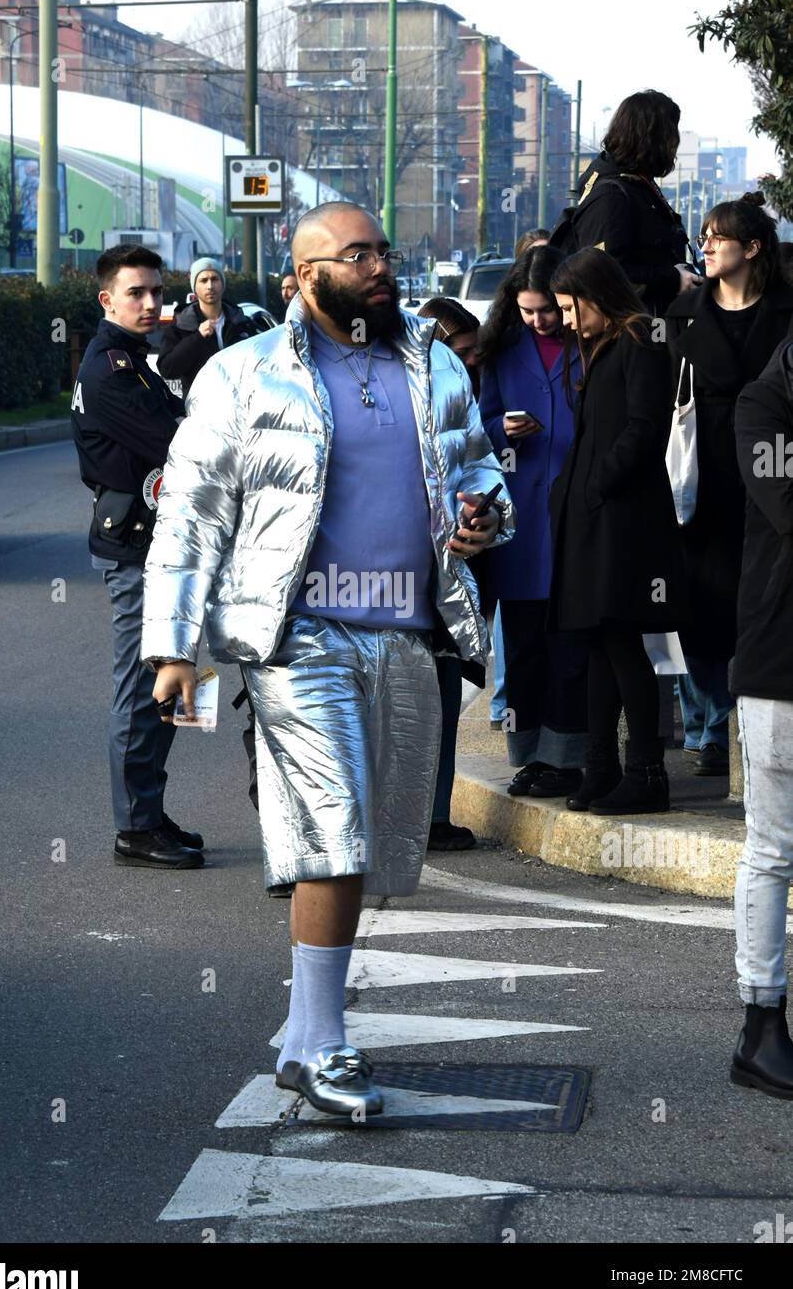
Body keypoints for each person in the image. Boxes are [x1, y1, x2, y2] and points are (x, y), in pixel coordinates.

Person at [142, 201, 512, 1117]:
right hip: (296, 634)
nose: (380, 266)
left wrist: (482, 515)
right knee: (336, 826)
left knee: (384, 841)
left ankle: (306, 1039)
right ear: (305, 276)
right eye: (358, 255)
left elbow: (480, 469)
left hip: (403, 630)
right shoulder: (243, 375)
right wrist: (174, 647)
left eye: (383, 249)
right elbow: (189, 513)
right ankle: (324, 1044)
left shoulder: (429, 363)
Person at [70, 244, 204, 870]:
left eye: (157, 291)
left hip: (155, 542)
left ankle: (148, 811)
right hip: (134, 545)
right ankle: (133, 829)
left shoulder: (137, 361)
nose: (151, 303)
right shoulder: (112, 368)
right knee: (140, 686)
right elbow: (176, 442)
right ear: (107, 300)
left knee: (167, 679)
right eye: (136, 293)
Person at [548, 247, 684, 814]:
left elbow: (644, 427)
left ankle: (646, 773)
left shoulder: (639, 341)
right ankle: (601, 767)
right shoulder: (605, 345)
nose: (569, 320)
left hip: (622, 522)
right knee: (600, 644)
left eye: (572, 307)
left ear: (596, 293)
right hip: (592, 519)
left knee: (624, 645)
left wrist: (598, 483)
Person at [666, 192, 793, 777]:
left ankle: (745, 723)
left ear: (754, 247)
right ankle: (708, 727)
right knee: (699, 607)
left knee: (758, 601)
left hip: (770, 477)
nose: (707, 244)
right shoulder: (683, 316)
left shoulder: (787, 314)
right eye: (704, 235)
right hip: (702, 474)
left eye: (719, 236)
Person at [477, 245, 589, 798]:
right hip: (517, 515)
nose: (540, 320)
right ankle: (528, 755)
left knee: (569, 644)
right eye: (527, 311)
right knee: (521, 644)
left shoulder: (586, 341)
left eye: (547, 309)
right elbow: (480, 421)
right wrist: (503, 429)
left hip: (573, 513)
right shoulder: (501, 347)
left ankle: (566, 757)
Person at [729, 338, 793, 1098]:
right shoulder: (763, 402)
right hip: (782, 655)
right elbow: (785, 504)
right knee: (774, 847)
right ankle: (761, 1025)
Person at [417, 297, 483, 851]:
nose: (469, 361)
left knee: (444, 690)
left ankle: (435, 816)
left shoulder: (464, 398)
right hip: (404, 576)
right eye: (459, 352)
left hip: (451, 569)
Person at [550, 91, 700, 317]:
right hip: (630, 333)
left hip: (648, 324)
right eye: (671, 134)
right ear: (652, 138)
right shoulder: (611, 195)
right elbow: (603, 272)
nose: (675, 145)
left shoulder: (634, 184)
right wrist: (672, 279)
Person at [156, 257, 256, 400]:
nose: (210, 286)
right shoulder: (181, 324)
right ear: (194, 287)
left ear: (222, 284)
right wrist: (197, 337)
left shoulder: (240, 322)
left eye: (214, 279)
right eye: (203, 280)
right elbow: (167, 369)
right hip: (200, 410)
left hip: (238, 408)